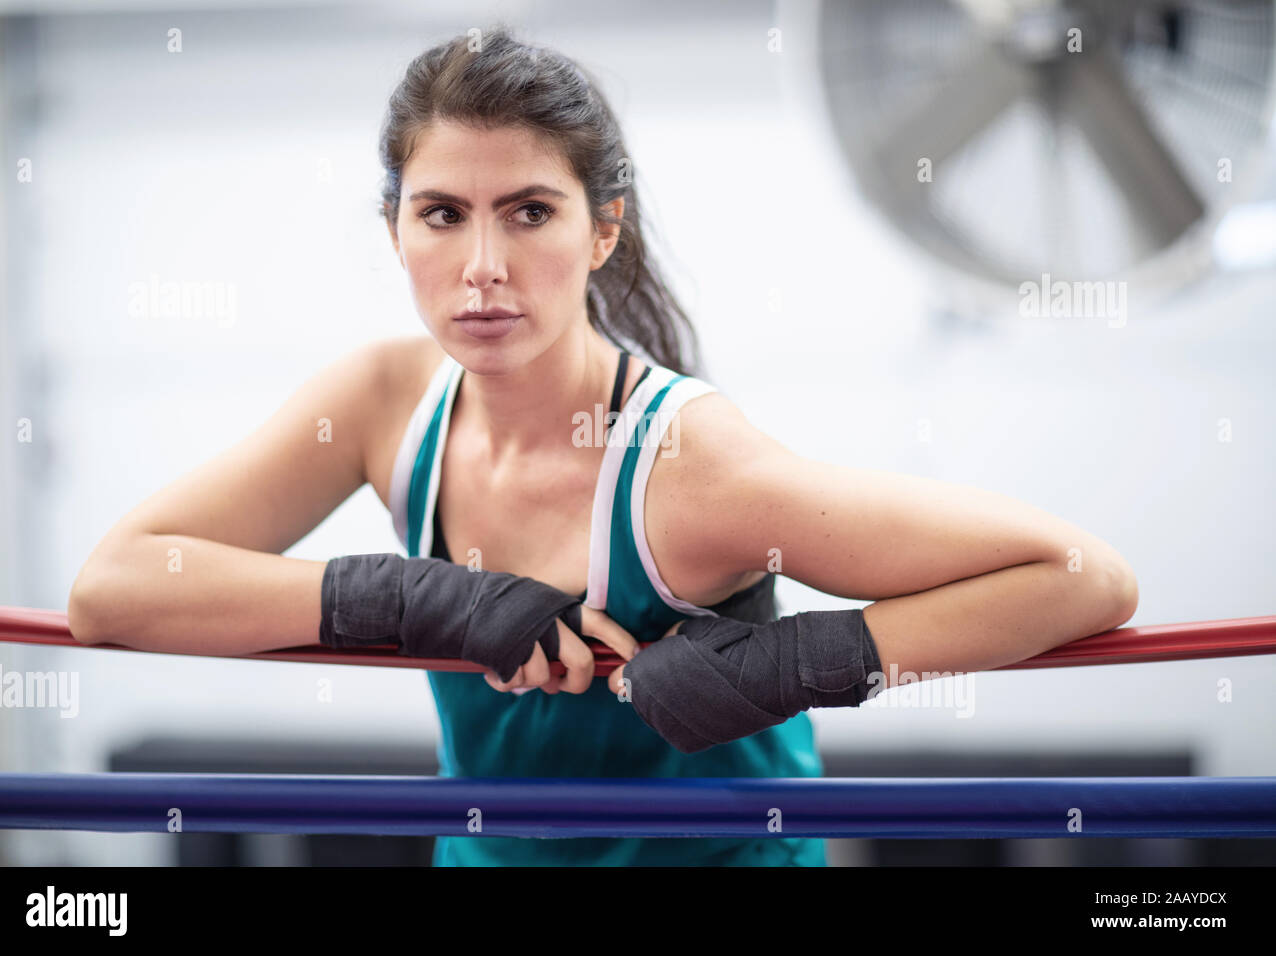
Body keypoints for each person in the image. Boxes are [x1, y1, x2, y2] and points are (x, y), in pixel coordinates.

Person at [68, 24, 1139, 867]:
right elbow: (113, 589)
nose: (483, 263)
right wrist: (400, 596)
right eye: (442, 213)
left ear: (603, 229)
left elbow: (1082, 575)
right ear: (393, 228)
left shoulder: (693, 469)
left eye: (529, 211)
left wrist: (799, 662)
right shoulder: (382, 402)